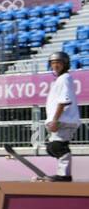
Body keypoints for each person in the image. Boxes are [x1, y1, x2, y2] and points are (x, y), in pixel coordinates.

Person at [43, 51, 80, 181]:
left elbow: (64, 101)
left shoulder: (65, 78)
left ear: (65, 64)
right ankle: (62, 174)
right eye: (53, 63)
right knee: (52, 148)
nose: (55, 65)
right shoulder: (60, 79)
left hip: (64, 121)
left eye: (58, 62)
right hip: (61, 120)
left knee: (58, 147)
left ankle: (64, 175)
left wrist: (54, 120)